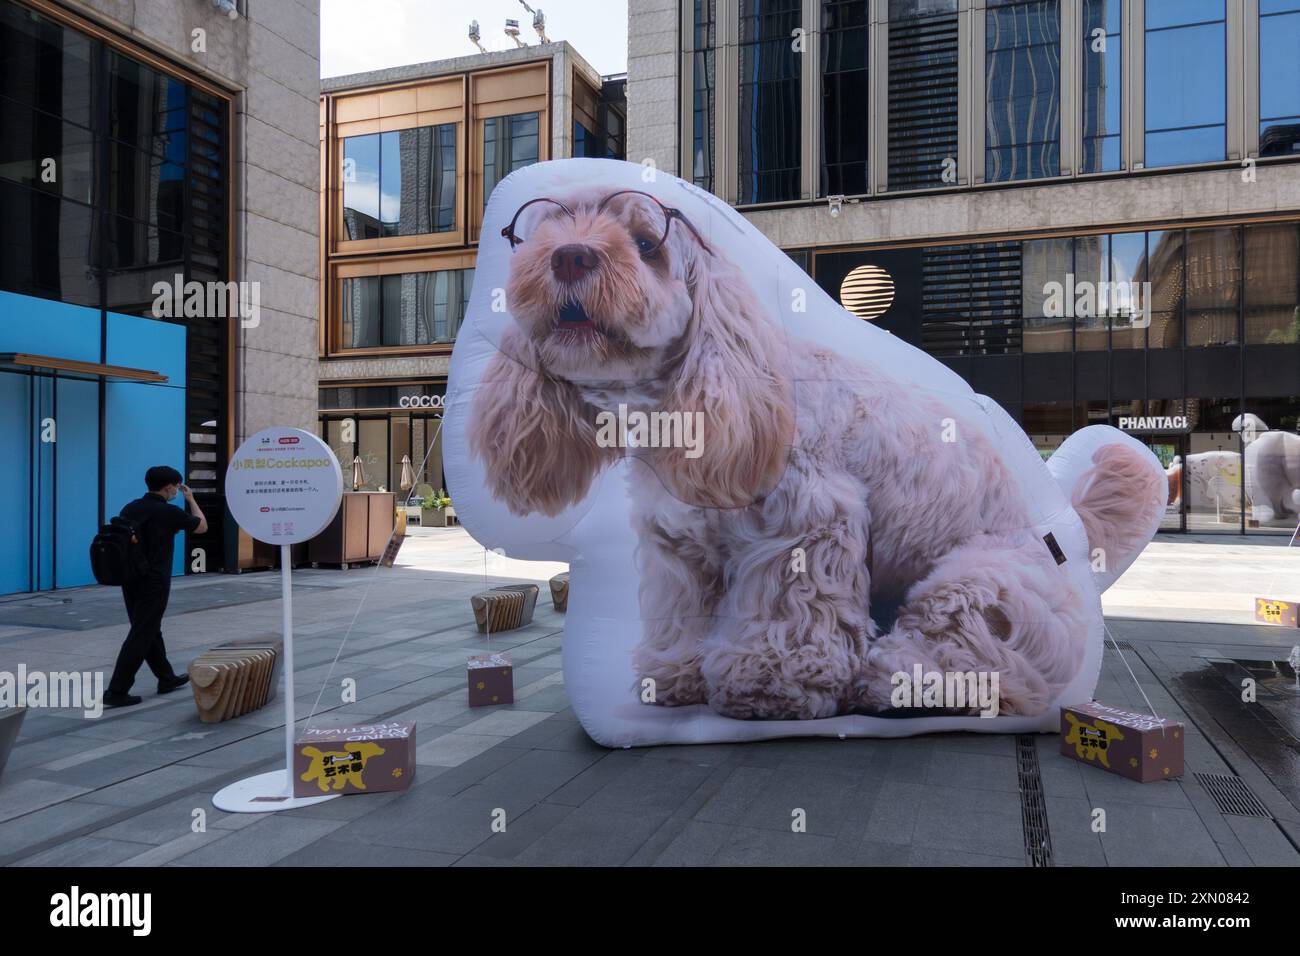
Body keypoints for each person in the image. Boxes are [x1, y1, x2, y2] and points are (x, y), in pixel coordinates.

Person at [104, 466, 208, 708]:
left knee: (149, 628)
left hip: (130, 579)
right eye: (176, 486)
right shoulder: (168, 512)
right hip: (154, 581)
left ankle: (166, 677)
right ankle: (117, 690)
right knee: (141, 633)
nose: (176, 491)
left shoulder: (131, 508)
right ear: (170, 487)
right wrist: (191, 499)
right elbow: (202, 526)